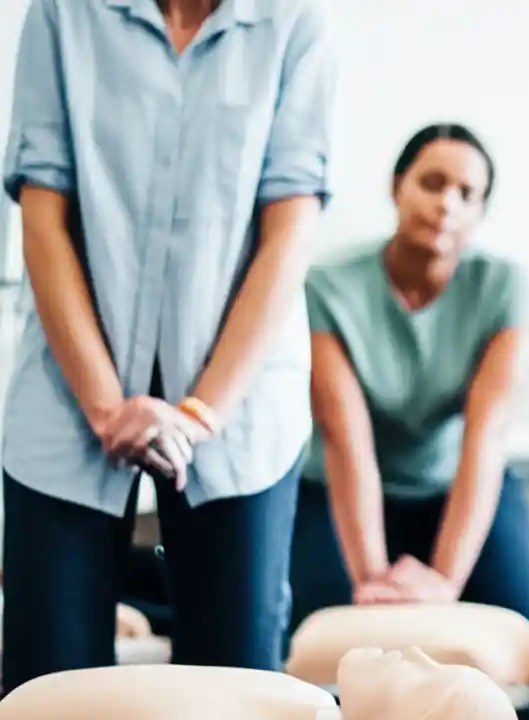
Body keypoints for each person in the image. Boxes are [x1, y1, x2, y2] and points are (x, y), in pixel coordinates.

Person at [1, 0, 334, 692]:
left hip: (239, 404)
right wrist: (102, 406)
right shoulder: (64, 13)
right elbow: (42, 213)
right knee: (47, 682)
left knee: (237, 685)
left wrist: (199, 413)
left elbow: (289, 232)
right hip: (69, 391)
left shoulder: (293, 22)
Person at [288, 124, 529, 635]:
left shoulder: (506, 286)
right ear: (397, 187)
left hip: (452, 487)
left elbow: (487, 436)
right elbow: (346, 442)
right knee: (306, 626)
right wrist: (372, 581)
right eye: (431, 184)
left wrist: (442, 583)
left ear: (481, 210)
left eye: (467, 194)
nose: (447, 205)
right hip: (335, 490)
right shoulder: (327, 286)